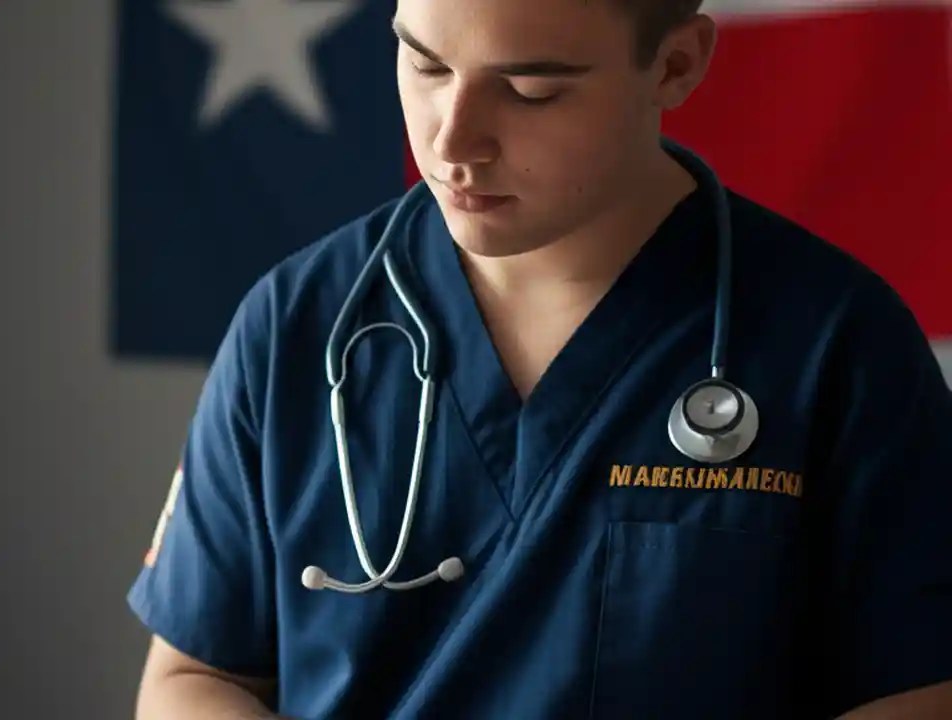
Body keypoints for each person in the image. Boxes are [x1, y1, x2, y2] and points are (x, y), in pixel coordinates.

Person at [126, 0, 952, 717]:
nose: (453, 141)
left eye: (530, 91)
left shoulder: (835, 343)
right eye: (425, 63)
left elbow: (922, 691)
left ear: (675, 63)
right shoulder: (296, 325)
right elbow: (189, 676)